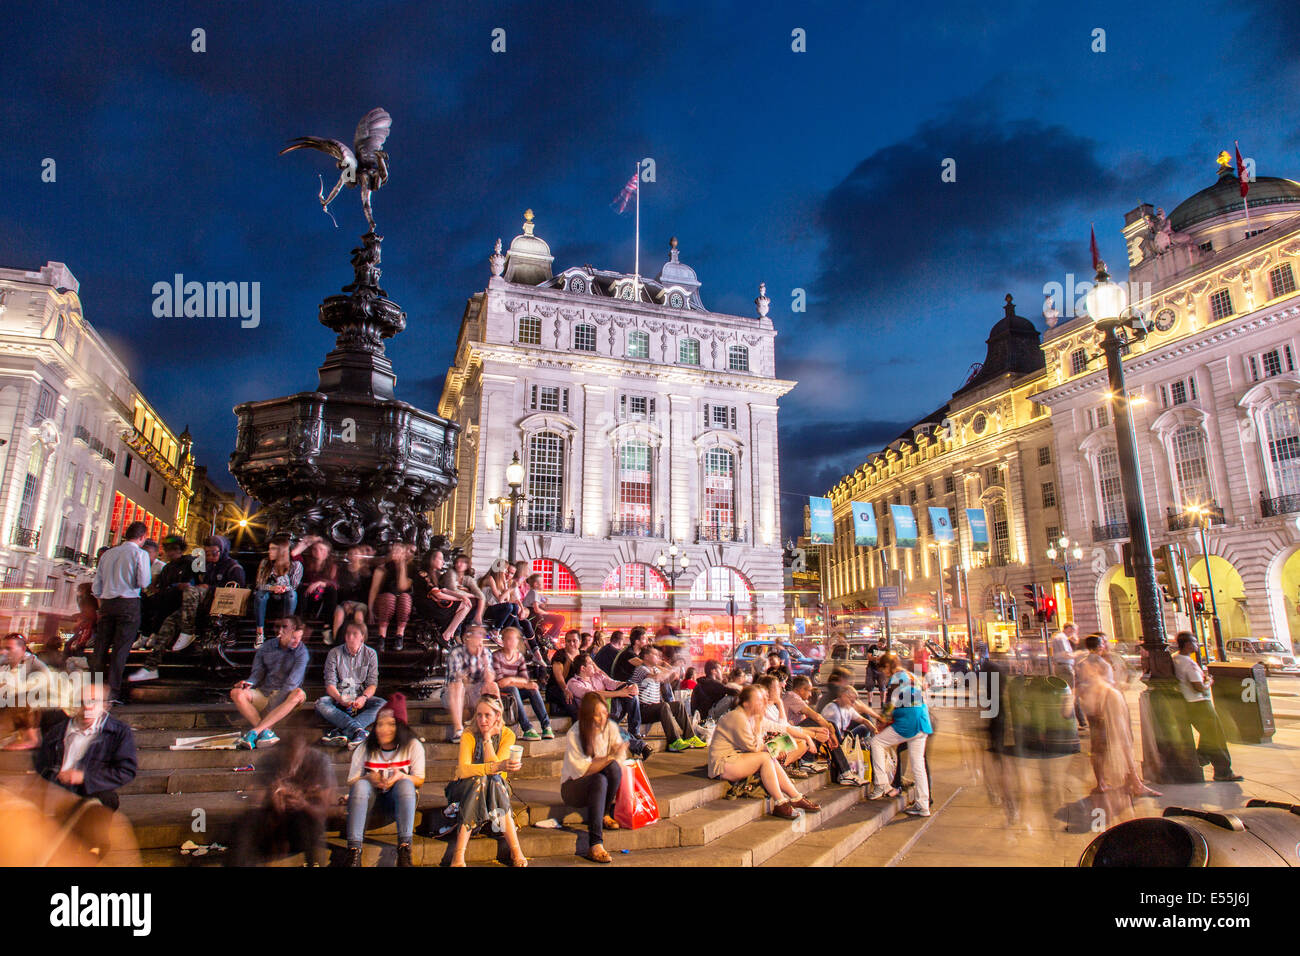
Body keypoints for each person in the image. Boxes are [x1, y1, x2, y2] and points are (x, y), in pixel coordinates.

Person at [707, 685, 819, 819]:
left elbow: (781, 727)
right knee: (766, 758)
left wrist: (806, 736)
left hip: (736, 758)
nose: (762, 703)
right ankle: (780, 802)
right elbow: (754, 747)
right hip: (722, 764)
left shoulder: (752, 716)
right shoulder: (737, 717)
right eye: (758, 700)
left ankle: (795, 797)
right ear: (746, 703)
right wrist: (772, 744)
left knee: (769, 757)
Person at [1078, 635, 1161, 806]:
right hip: (1108, 706)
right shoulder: (1100, 663)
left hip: (1092, 707)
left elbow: (1080, 686)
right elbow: (1107, 684)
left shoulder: (1081, 663)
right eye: (1103, 643)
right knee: (1123, 743)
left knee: (1098, 745)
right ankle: (1135, 782)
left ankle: (1102, 782)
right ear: (1100, 646)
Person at [230, 733, 335, 867]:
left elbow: (324, 810)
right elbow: (254, 800)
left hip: (301, 825)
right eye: (287, 752)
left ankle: (313, 862)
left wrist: (303, 803)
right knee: (246, 822)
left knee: (306, 822)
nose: (290, 757)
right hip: (273, 823)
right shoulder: (271, 762)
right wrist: (271, 793)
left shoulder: (318, 763)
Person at [446, 695, 528, 867]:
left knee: (493, 781)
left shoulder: (508, 735)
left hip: (496, 788)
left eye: (487, 715)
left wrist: (487, 739)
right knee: (481, 781)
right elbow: (463, 770)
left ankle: (515, 850)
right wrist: (492, 767)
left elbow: (500, 772)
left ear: (498, 716)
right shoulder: (468, 734)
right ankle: (459, 854)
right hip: (464, 787)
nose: (482, 720)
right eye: (479, 715)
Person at [343, 695, 424, 867]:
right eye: (380, 724)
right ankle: (354, 851)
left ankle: (404, 849)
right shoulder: (365, 746)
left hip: (398, 803)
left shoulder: (413, 745)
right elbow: (352, 780)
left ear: (400, 726)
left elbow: (420, 779)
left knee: (406, 785)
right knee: (361, 785)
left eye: (390, 724)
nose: (383, 729)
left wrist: (400, 776)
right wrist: (369, 778)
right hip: (370, 803)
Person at [34, 680, 137, 810]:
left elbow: (125, 771)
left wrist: (84, 777)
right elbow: (41, 766)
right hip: (56, 790)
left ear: (105, 705)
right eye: (82, 702)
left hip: (91, 794)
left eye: (94, 701)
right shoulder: (58, 731)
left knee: (104, 801)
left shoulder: (118, 732)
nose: (88, 707)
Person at [560, 692, 627, 864]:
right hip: (573, 787)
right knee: (600, 779)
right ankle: (595, 843)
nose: (602, 718)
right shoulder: (575, 733)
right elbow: (582, 770)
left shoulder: (610, 727)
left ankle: (604, 813)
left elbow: (619, 760)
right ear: (588, 714)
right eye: (597, 714)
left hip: (599, 783)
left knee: (611, 769)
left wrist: (612, 757)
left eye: (605, 713)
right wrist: (610, 756)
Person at [90, 520, 151, 705]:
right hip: (128, 602)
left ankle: (93, 690)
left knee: (100, 649)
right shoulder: (140, 554)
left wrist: (103, 598)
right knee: (120, 650)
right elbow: (143, 582)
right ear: (142, 537)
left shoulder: (108, 554)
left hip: (107, 603)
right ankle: (113, 692)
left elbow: (96, 585)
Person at [230, 615, 310, 750]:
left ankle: (255, 731)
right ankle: (265, 733)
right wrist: (248, 683)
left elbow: (291, 684)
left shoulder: (302, 652)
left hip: (286, 697)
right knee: (236, 693)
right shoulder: (267, 647)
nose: (297, 641)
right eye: (293, 637)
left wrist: (272, 708)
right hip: (266, 692)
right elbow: (257, 674)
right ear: (282, 634)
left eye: (299, 637)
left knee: (298, 693)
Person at [868, 653, 932, 816]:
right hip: (922, 721)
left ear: (887, 666)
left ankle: (881, 783)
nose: (884, 673)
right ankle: (923, 804)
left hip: (907, 721)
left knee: (876, 742)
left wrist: (882, 720)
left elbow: (890, 705)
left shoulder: (896, 679)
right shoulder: (911, 675)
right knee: (918, 765)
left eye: (883, 669)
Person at [1172, 632, 1242, 782]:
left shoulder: (1175, 658)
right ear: (1188, 644)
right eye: (1195, 642)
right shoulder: (1188, 663)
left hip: (1189, 703)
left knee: (1210, 735)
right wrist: (1209, 681)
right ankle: (1220, 769)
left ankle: (1203, 756)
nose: (1197, 645)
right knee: (1217, 737)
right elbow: (1198, 687)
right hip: (1200, 703)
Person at [128, 536, 200, 682]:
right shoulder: (168, 568)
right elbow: (161, 588)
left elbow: (193, 585)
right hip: (169, 605)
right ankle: (150, 663)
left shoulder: (190, 563)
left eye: (174, 549)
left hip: (186, 607)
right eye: (168, 549)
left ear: (180, 549)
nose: (170, 552)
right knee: (161, 622)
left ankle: (152, 660)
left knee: (168, 623)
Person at [316, 620, 384, 749]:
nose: (350, 637)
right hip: (339, 697)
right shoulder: (334, 653)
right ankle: (358, 731)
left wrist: (363, 698)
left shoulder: (370, 654)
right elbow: (330, 683)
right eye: (348, 634)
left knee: (382, 705)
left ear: (362, 637)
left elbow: (372, 683)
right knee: (321, 703)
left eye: (354, 634)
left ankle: (342, 731)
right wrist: (339, 698)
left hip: (359, 698)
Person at [564, 653, 648, 756]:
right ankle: (641, 747)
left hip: (610, 711)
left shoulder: (598, 676)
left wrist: (631, 685)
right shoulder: (573, 683)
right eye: (591, 663)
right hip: (593, 718)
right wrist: (619, 693)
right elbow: (592, 695)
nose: (594, 665)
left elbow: (614, 683)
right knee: (608, 724)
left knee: (630, 692)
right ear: (583, 668)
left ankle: (635, 731)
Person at [630, 646, 706, 752]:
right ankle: (674, 741)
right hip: (642, 710)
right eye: (655, 654)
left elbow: (668, 679)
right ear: (646, 656)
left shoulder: (656, 669)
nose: (658, 657)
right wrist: (673, 668)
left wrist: (673, 671)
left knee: (678, 705)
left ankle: (690, 737)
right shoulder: (641, 669)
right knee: (664, 706)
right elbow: (656, 677)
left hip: (654, 708)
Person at [492, 626, 553, 740]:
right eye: (507, 639)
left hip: (514, 688)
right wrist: (516, 682)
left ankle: (546, 726)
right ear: (503, 640)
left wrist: (511, 680)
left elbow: (525, 679)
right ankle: (527, 728)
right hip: (500, 691)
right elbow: (501, 682)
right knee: (513, 689)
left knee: (533, 688)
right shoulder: (497, 656)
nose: (510, 642)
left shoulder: (519, 657)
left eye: (513, 639)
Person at [441, 625, 498, 742]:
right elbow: (457, 678)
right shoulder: (456, 652)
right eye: (477, 635)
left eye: (482, 636)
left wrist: (483, 661)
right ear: (467, 638)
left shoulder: (486, 652)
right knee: (457, 685)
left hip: (475, 692)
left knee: (493, 686)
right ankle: (458, 729)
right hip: (454, 694)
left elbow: (490, 679)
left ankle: (495, 726)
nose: (480, 639)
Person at [412, 549, 471, 647]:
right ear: (432, 560)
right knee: (464, 605)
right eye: (440, 559)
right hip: (427, 607)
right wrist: (460, 599)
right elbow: (437, 594)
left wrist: (462, 596)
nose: (443, 562)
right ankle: (446, 636)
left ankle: (449, 634)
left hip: (434, 604)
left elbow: (444, 590)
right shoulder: (423, 574)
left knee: (466, 605)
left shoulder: (435, 574)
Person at [252, 534, 304, 648]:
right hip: (268, 590)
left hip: (286, 591)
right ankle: (260, 632)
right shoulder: (265, 563)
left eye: (273, 549)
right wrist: (272, 588)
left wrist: (283, 587)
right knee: (260, 595)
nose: (270, 552)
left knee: (292, 595)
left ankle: (285, 631)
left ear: (281, 551)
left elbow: (294, 585)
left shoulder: (295, 565)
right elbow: (259, 584)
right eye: (270, 549)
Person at [1, 633, 51, 751]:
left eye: (8, 648)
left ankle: (31, 738)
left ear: (22, 649)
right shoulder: (4, 663)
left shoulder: (35, 665)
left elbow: (39, 687)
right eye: (2, 648)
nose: (3, 652)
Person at [369, 542, 415, 651]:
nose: (396, 553)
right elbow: (374, 589)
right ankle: (381, 637)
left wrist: (401, 566)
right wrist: (370, 610)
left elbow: (402, 586)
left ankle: (399, 635)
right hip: (384, 602)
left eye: (399, 551)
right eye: (395, 550)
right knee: (389, 598)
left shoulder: (411, 569)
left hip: (402, 605)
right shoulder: (383, 568)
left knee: (404, 597)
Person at [297, 536, 339, 641]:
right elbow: (294, 555)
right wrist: (309, 541)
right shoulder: (307, 563)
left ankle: (327, 627)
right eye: (315, 549)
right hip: (308, 595)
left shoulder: (332, 566)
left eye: (321, 549)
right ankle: (300, 623)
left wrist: (319, 583)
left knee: (331, 591)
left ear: (327, 553)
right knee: (302, 590)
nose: (318, 552)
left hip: (323, 597)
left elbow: (334, 584)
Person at [333, 545, 373, 638]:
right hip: (345, 601)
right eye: (351, 554)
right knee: (339, 614)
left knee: (358, 615)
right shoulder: (342, 571)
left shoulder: (366, 572)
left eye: (356, 554)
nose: (353, 556)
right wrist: (346, 603)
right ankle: (337, 640)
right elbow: (340, 590)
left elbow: (366, 592)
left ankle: (361, 639)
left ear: (361, 556)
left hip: (360, 602)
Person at [1051, 624, 1086, 730]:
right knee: (1070, 695)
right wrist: (1079, 653)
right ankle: (1072, 721)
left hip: (1062, 667)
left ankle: (1078, 721)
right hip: (1065, 667)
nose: (1075, 633)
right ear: (1069, 629)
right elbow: (1066, 655)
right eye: (1075, 630)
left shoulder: (1060, 637)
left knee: (1068, 694)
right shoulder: (1061, 638)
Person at [478, 560, 523, 633]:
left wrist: (505, 584)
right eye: (506, 570)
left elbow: (507, 599)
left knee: (515, 607)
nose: (506, 573)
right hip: (486, 610)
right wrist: (510, 588)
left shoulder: (501, 582)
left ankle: (503, 631)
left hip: (495, 608)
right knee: (509, 606)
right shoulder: (490, 579)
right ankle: (496, 630)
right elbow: (500, 599)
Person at [521, 573, 564, 647]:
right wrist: (546, 613)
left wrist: (544, 602)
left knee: (559, 620)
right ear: (536, 584)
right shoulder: (533, 593)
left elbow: (541, 603)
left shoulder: (535, 593)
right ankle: (549, 636)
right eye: (542, 583)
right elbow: (536, 609)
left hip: (535, 615)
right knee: (560, 618)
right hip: (533, 616)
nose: (544, 584)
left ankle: (551, 636)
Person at [547, 630, 583, 715]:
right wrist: (566, 690)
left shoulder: (583, 655)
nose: (571, 643)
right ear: (565, 642)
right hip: (558, 688)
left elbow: (595, 669)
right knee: (574, 708)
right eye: (568, 641)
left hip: (576, 687)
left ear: (580, 642)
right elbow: (559, 678)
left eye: (574, 641)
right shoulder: (560, 655)